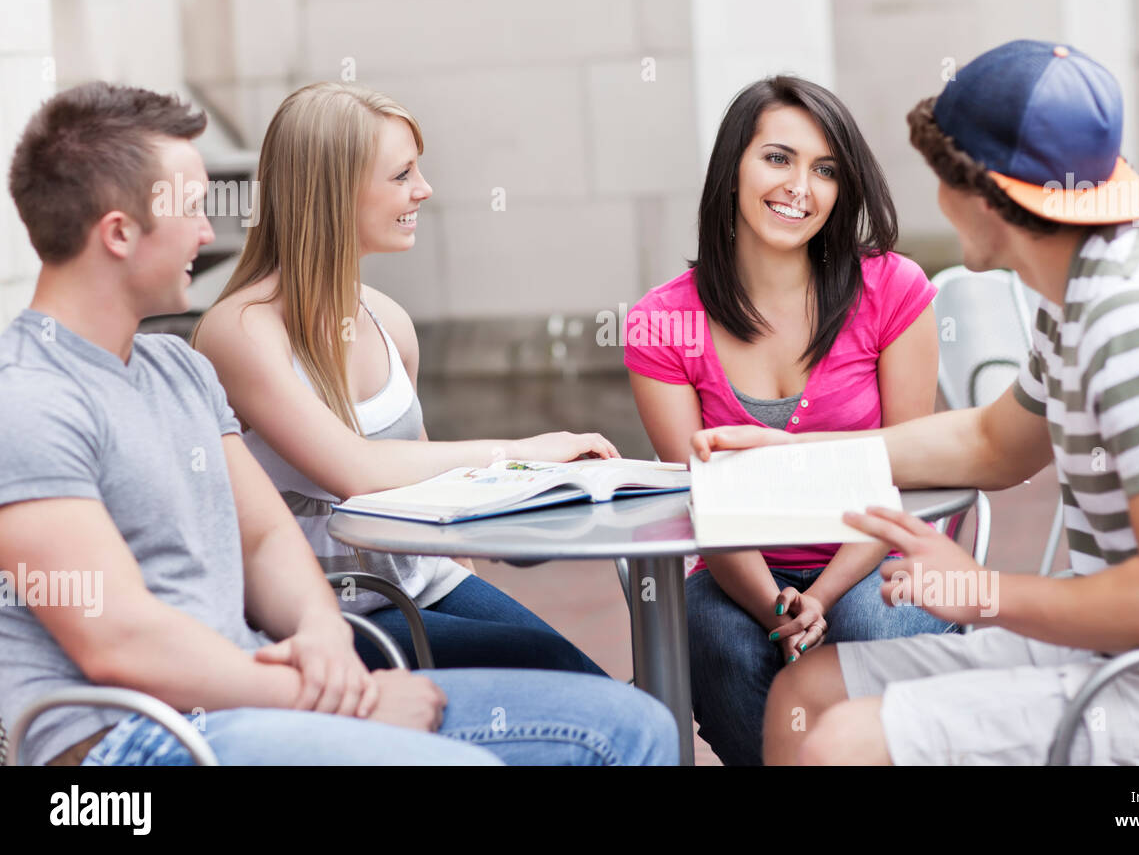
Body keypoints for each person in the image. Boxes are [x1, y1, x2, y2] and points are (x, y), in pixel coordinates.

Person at [0, 81, 677, 766]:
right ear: (118, 232)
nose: (211, 233)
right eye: (195, 210)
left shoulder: (178, 369)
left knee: (635, 727)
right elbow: (119, 641)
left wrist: (321, 631)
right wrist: (321, 694)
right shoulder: (28, 401)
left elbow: (266, 538)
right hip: (142, 744)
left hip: (252, 703)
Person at [694, 40, 1139, 765]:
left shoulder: (1136, 324)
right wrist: (799, 451)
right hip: (1135, 651)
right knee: (811, 693)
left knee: (842, 744)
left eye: (942, 180)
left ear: (981, 197)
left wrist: (980, 590)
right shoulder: (1082, 285)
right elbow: (993, 442)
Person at [192, 82, 609, 674]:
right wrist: (523, 453)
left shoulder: (387, 320)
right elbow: (358, 471)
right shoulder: (242, 330)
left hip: (419, 582)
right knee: (555, 674)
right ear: (332, 193)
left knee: (581, 675)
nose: (424, 189)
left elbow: (424, 482)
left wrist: (479, 557)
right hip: (327, 615)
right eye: (401, 174)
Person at [624, 75, 954, 766]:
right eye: (778, 158)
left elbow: (902, 467)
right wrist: (779, 605)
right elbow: (704, 502)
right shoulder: (662, 321)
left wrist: (825, 594)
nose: (801, 186)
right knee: (716, 633)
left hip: (878, 552)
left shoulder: (893, 289)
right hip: (741, 565)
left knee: (870, 616)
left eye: (826, 169)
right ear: (732, 169)